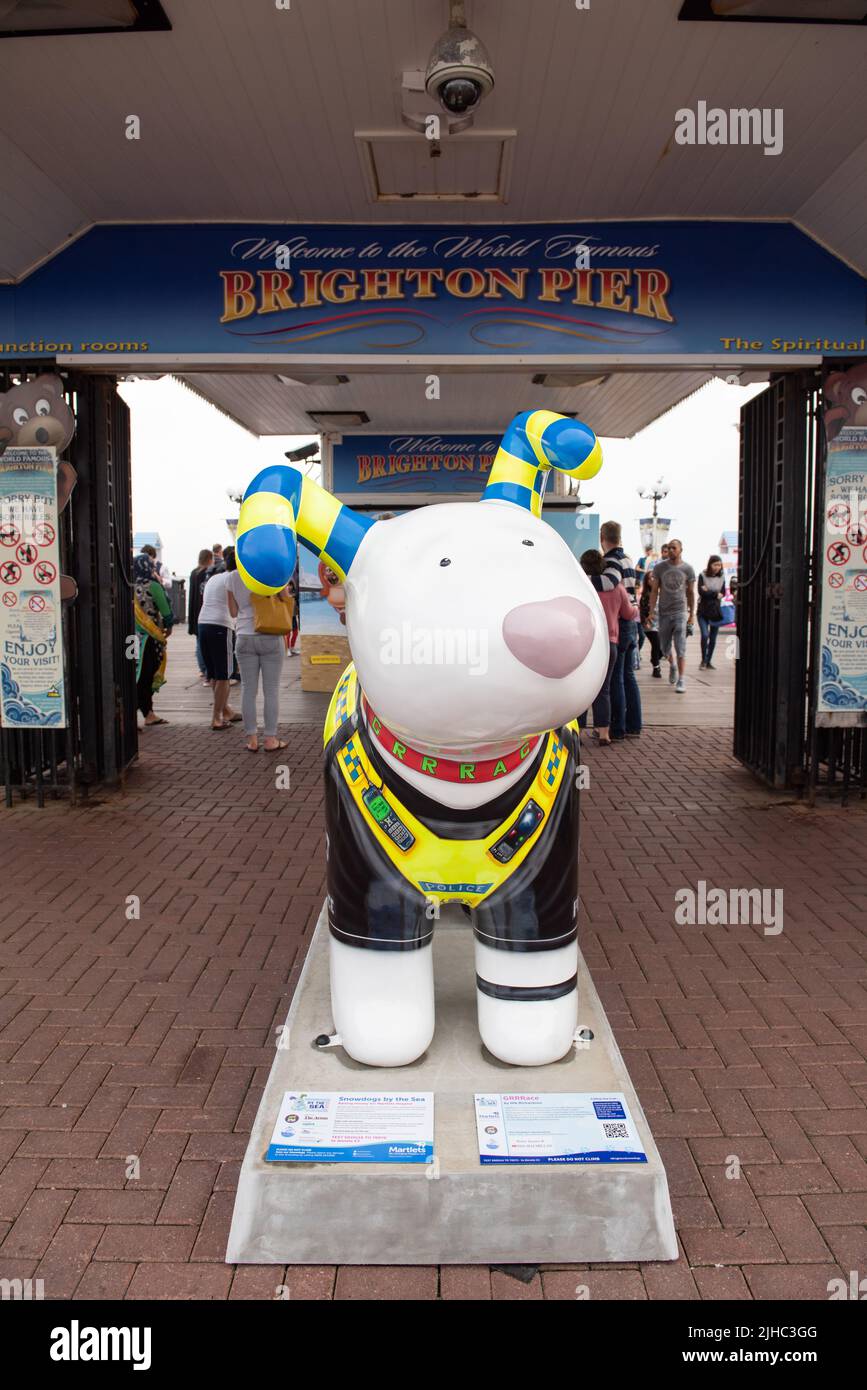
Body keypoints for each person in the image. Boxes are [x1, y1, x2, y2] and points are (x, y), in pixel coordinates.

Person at [226, 567, 289, 753]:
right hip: (270, 635)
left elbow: (233, 612)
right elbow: (285, 598)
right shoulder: (272, 570)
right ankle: (270, 739)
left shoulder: (233, 576)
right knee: (271, 690)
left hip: (244, 636)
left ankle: (252, 740)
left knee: (248, 690)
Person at [580, 549, 639, 745]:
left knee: (583, 688)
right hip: (610, 644)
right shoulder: (618, 588)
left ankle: (578, 732)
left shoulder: (583, 586)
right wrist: (637, 607)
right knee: (604, 689)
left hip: (586, 643)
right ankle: (604, 732)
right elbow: (629, 614)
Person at [596, 520, 641, 741]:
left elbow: (608, 583)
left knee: (616, 680)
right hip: (630, 619)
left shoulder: (612, 560)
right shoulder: (628, 559)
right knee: (627, 675)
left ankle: (617, 728)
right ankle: (634, 724)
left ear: (602, 537)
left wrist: (582, 580)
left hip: (619, 623)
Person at [196, 544, 241, 730]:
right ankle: (216, 717)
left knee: (214, 674)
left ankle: (226, 710)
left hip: (203, 624)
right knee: (224, 676)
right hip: (221, 626)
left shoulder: (214, 577)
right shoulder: (235, 578)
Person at [647, 537, 696, 693]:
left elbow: (690, 593)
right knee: (664, 647)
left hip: (680, 612)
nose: (670, 550)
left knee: (680, 646)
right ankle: (672, 665)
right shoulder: (660, 568)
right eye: (669, 548)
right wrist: (651, 611)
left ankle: (681, 679)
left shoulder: (688, 569)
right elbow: (654, 591)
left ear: (681, 549)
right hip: (664, 612)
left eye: (674, 548)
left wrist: (691, 614)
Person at [133, 553, 173, 727]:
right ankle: (148, 713)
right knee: (148, 672)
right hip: (149, 637)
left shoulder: (129, 584)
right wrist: (168, 626)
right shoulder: (153, 586)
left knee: (132, 671)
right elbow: (166, 611)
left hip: (130, 638)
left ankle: (132, 711)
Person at [188, 548, 213, 684]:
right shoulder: (207, 573)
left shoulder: (193, 573)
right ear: (209, 559)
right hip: (205, 611)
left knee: (199, 642)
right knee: (205, 644)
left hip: (195, 611)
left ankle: (202, 669)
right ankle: (206, 671)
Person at [697, 554, 726, 670]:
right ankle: (703, 660)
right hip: (703, 610)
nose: (717, 567)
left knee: (713, 638)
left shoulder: (722, 576)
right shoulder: (702, 575)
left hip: (715, 611)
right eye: (715, 564)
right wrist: (715, 594)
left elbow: (723, 592)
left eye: (719, 565)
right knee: (705, 635)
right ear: (710, 564)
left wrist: (709, 591)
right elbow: (701, 592)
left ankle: (708, 661)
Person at [286, 578, 300, 656]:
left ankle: (292, 648)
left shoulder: (295, 595)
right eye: (287, 585)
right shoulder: (283, 595)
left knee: (295, 633)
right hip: (286, 617)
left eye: (290, 585)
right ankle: (287, 649)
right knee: (287, 634)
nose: (289, 587)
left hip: (294, 616)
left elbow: (298, 605)